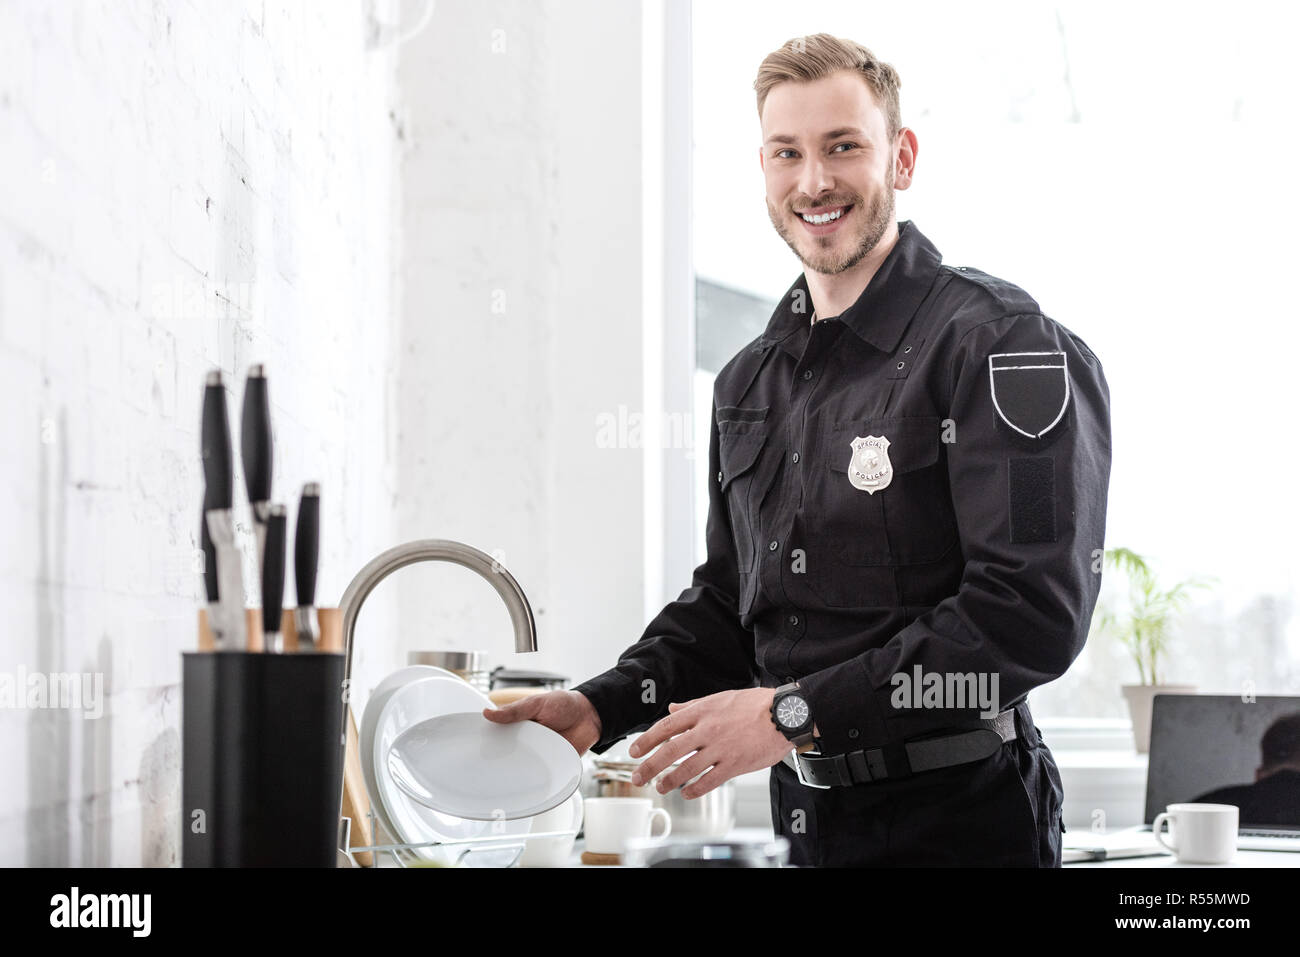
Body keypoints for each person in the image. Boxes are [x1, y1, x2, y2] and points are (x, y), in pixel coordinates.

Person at [485, 33, 1111, 867]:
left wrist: (790, 714)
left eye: (842, 146)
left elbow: (1030, 614)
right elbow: (729, 603)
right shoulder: (748, 382)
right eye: (788, 153)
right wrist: (600, 707)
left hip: (964, 825)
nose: (814, 181)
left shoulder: (1005, 346)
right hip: (805, 828)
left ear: (902, 158)